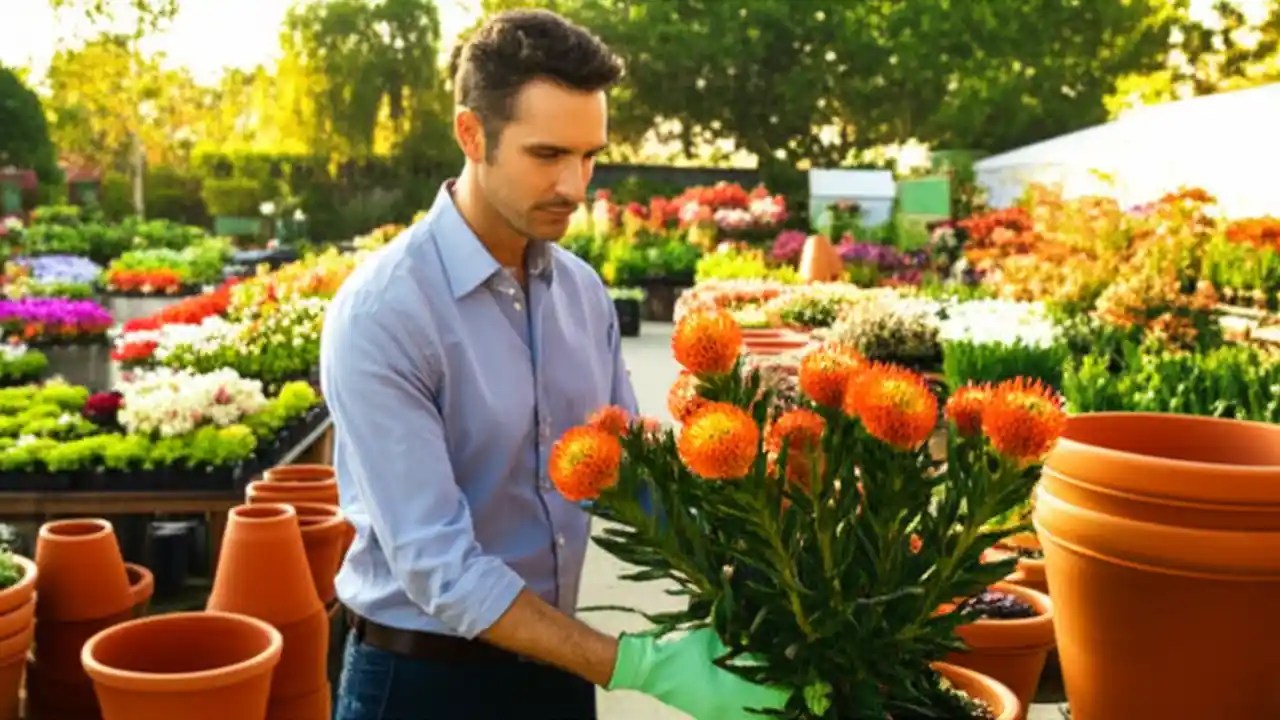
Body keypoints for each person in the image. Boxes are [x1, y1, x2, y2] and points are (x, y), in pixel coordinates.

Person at [319, 8, 789, 720]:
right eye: (547, 155)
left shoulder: (581, 292)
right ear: (472, 134)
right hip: (421, 682)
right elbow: (438, 569)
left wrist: (762, 544)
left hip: (557, 666)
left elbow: (631, 472)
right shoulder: (386, 314)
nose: (576, 185)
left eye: (589, 154)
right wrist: (640, 665)